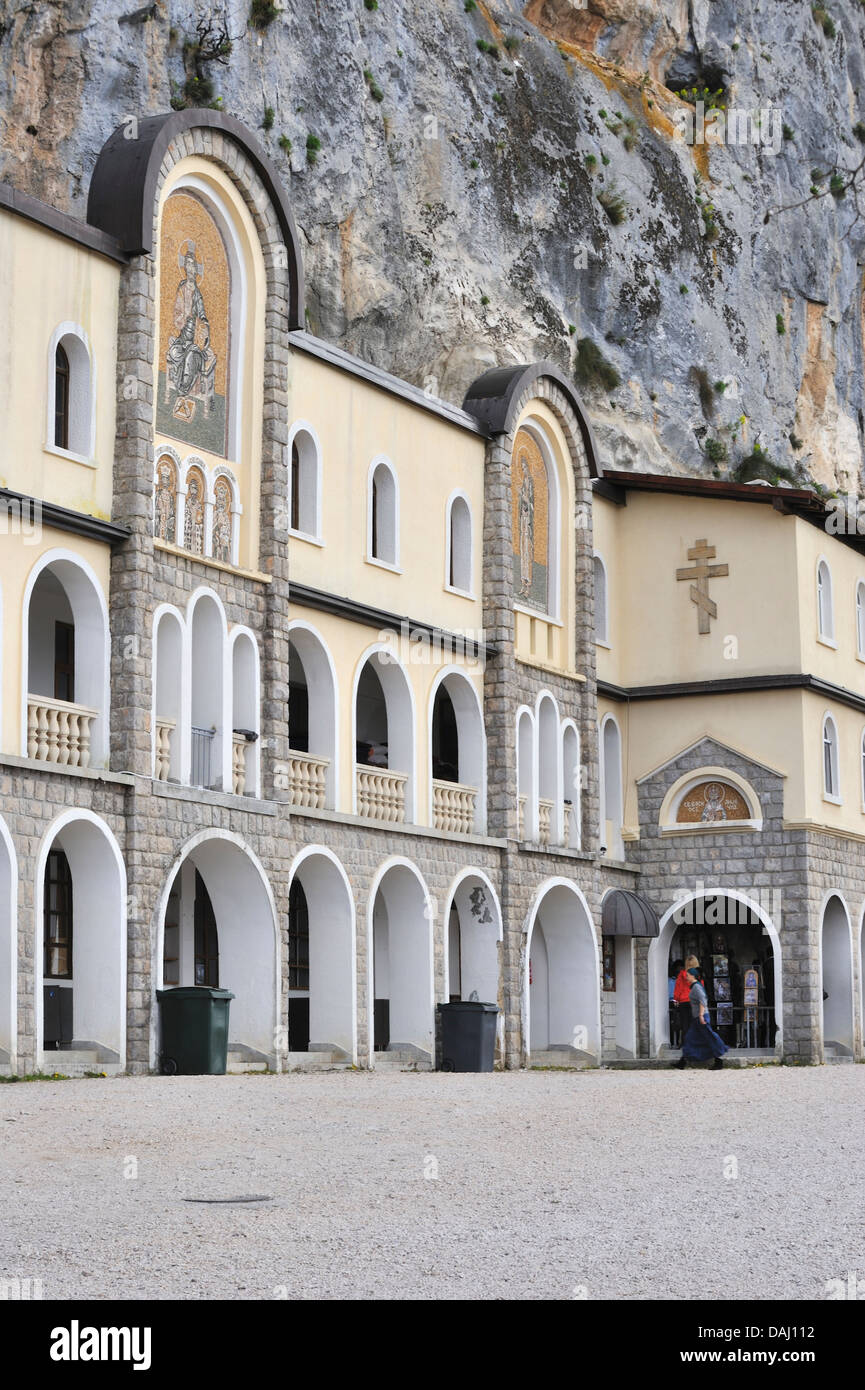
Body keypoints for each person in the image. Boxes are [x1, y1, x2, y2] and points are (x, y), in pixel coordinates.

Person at [674, 967, 729, 1070]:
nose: (686, 976)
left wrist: (701, 1015)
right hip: (698, 1018)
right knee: (691, 1039)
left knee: (708, 1038)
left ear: (693, 976)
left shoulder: (696, 987)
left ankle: (718, 1059)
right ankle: (683, 1061)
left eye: (688, 975)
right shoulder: (695, 986)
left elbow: (703, 1001)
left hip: (701, 1017)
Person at [673, 954, 700, 1048]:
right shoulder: (697, 974)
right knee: (695, 1022)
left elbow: (678, 988)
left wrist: (676, 999)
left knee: (685, 1024)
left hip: (684, 1001)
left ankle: (685, 1044)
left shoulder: (682, 974)